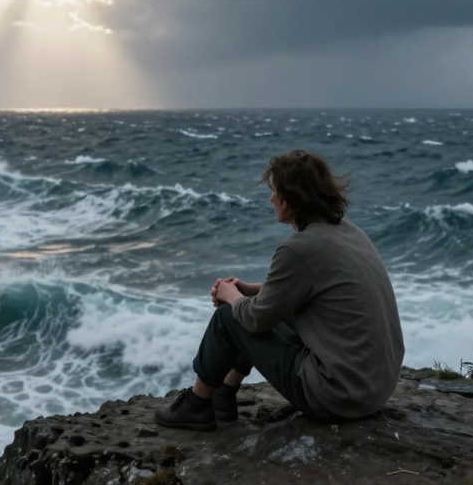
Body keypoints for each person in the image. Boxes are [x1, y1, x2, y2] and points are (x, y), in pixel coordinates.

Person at [154, 149, 404, 431]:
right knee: (258, 306)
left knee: (229, 316)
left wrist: (231, 296)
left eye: (274, 190)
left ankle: (197, 405)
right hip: (375, 387)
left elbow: (257, 319)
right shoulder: (351, 232)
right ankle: (223, 396)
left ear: (292, 197)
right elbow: (312, 290)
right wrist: (249, 290)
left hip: (336, 396)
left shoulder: (298, 249)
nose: (271, 197)